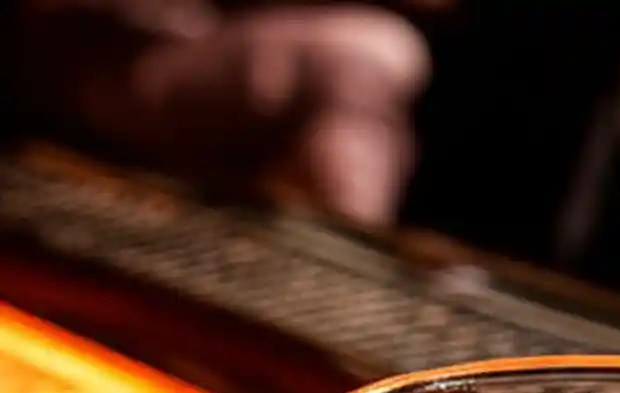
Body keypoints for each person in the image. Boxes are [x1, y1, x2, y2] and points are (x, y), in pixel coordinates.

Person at [5, 0, 432, 227]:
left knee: (373, 54)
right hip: (92, 54)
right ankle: (341, 273)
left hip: (203, 32)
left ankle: (338, 265)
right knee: (360, 55)